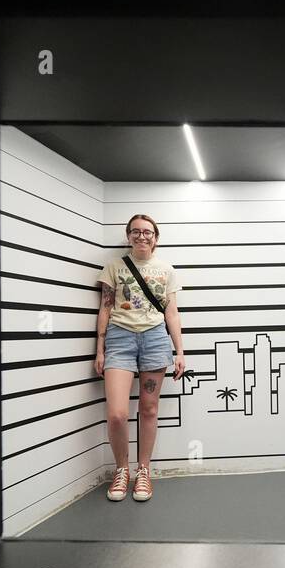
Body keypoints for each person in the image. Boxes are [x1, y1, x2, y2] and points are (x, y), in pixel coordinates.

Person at [95, 214, 186, 502]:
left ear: (155, 238)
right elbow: (105, 307)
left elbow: (172, 313)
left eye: (147, 232)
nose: (142, 236)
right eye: (136, 231)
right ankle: (122, 470)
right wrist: (100, 348)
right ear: (129, 236)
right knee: (117, 414)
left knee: (148, 409)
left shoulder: (166, 269)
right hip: (119, 339)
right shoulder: (115, 267)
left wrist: (180, 351)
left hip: (155, 339)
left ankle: (143, 470)